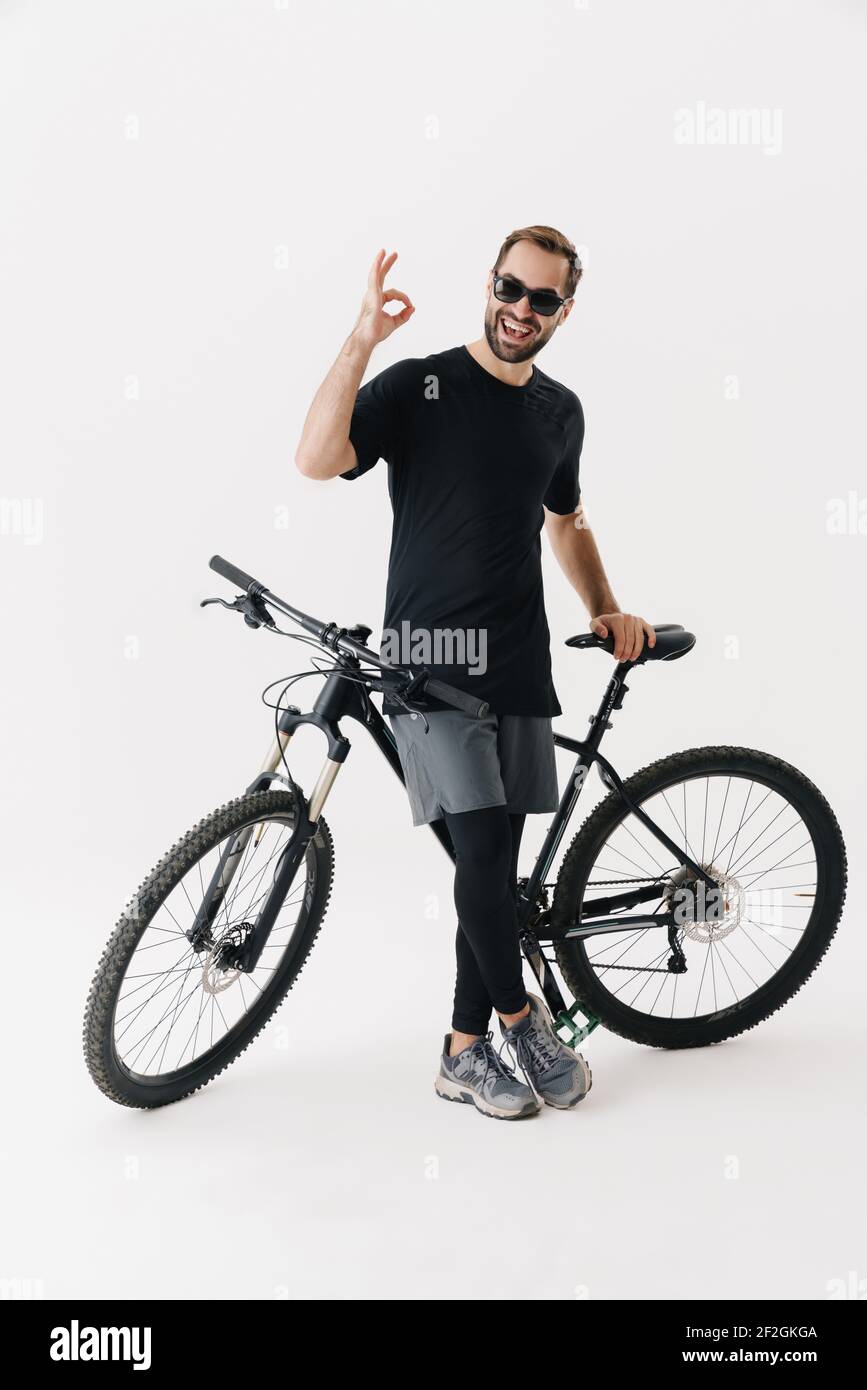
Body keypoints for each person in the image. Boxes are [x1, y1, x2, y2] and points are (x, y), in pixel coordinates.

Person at [295, 225, 655, 1120]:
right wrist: (360, 340)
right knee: (485, 851)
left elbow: (564, 521)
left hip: (519, 662)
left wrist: (604, 609)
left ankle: (461, 1054)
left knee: (489, 874)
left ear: (563, 311)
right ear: (488, 285)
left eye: (541, 299)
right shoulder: (421, 385)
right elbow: (314, 460)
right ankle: (518, 1018)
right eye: (509, 287)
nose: (519, 309)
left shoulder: (557, 411)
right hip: (428, 665)